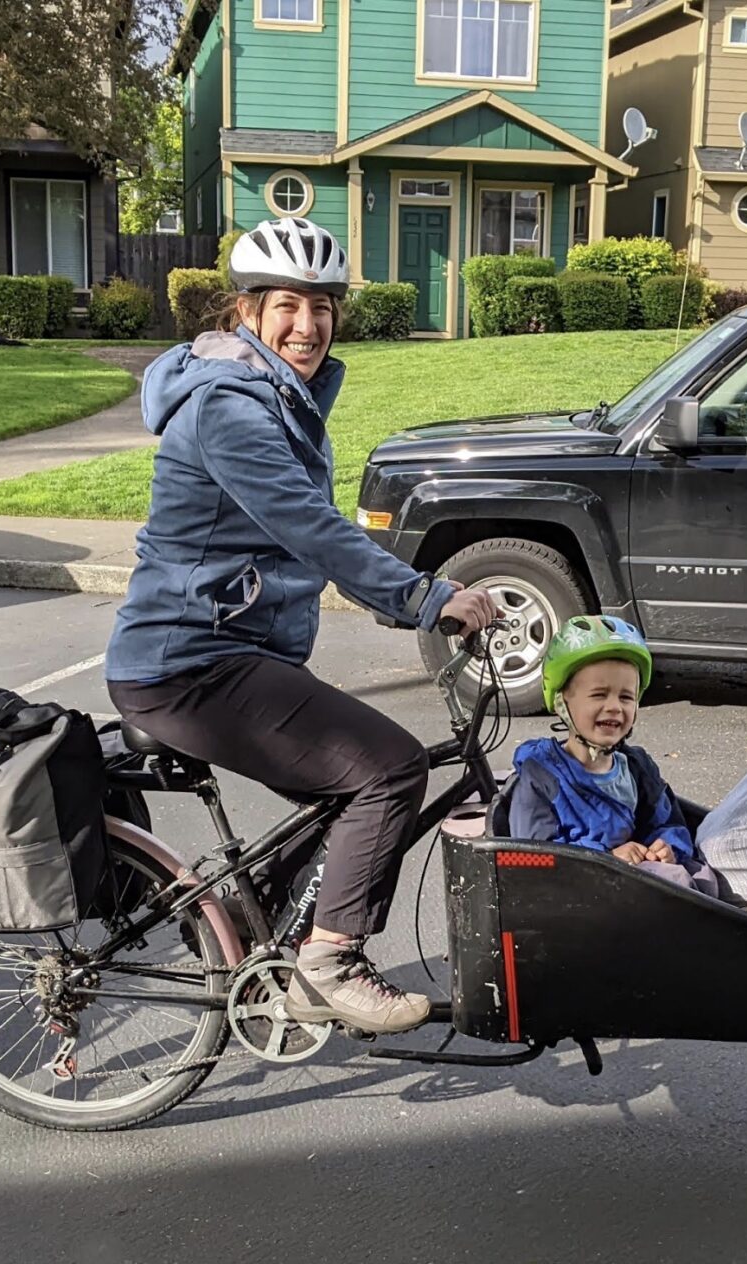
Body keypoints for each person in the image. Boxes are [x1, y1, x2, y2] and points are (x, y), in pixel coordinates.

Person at [105, 217, 497, 1035]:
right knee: (386, 770)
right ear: (245, 311)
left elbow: (317, 528)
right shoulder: (227, 406)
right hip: (188, 664)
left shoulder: (276, 393)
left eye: (322, 306)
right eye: (287, 304)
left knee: (344, 788)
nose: (307, 326)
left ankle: (253, 934)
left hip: (228, 653)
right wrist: (424, 599)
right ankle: (327, 963)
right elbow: (308, 526)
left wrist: (425, 585)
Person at [500, 617, 726, 899]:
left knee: (703, 876)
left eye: (626, 697)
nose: (614, 707)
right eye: (599, 695)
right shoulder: (541, 777)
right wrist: (607, 858)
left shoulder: (636, 768)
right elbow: (536, 856)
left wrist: (666, 846)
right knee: (678, 881)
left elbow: (669, 822)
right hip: (579, 898)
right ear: (562, 702)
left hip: (634, 892)